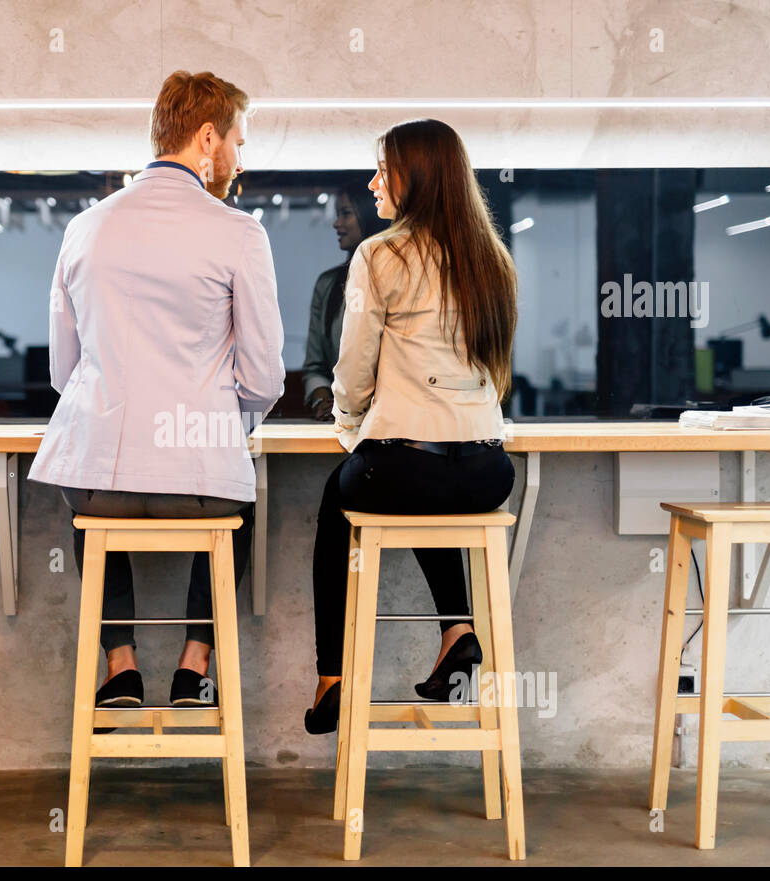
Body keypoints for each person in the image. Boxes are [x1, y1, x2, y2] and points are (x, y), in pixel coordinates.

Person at [28, 70, 285, 713]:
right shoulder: (240, 232)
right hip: (199, 488)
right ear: (207, 138)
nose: (239, 155)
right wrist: (222, 424)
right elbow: (263, 379)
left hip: (100, 482)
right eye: (238, 140)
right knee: (239, 501)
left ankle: (120, 666)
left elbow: (64, 374)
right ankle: (194, 664)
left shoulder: (84, 228)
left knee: (91, 504)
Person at [304, 118, 518, 734]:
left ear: (416, 177)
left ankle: (334, 678)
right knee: (419, 478)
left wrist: (350, 427)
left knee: (356, 488)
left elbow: (352, 368)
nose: (374, 184)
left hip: (407, 468)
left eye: (383, 170)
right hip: (486, 472)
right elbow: (494, 370)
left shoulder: (379, 255)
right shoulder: (492, 260)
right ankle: (458, 630)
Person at [302, 184, 383, 420]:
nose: (337, 224)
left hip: (389, 423)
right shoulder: (328, 285)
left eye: (346, 213)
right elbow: (315, 366)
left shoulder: (400, 279)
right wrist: (322, 399)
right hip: (342, 424)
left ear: (370, 214)